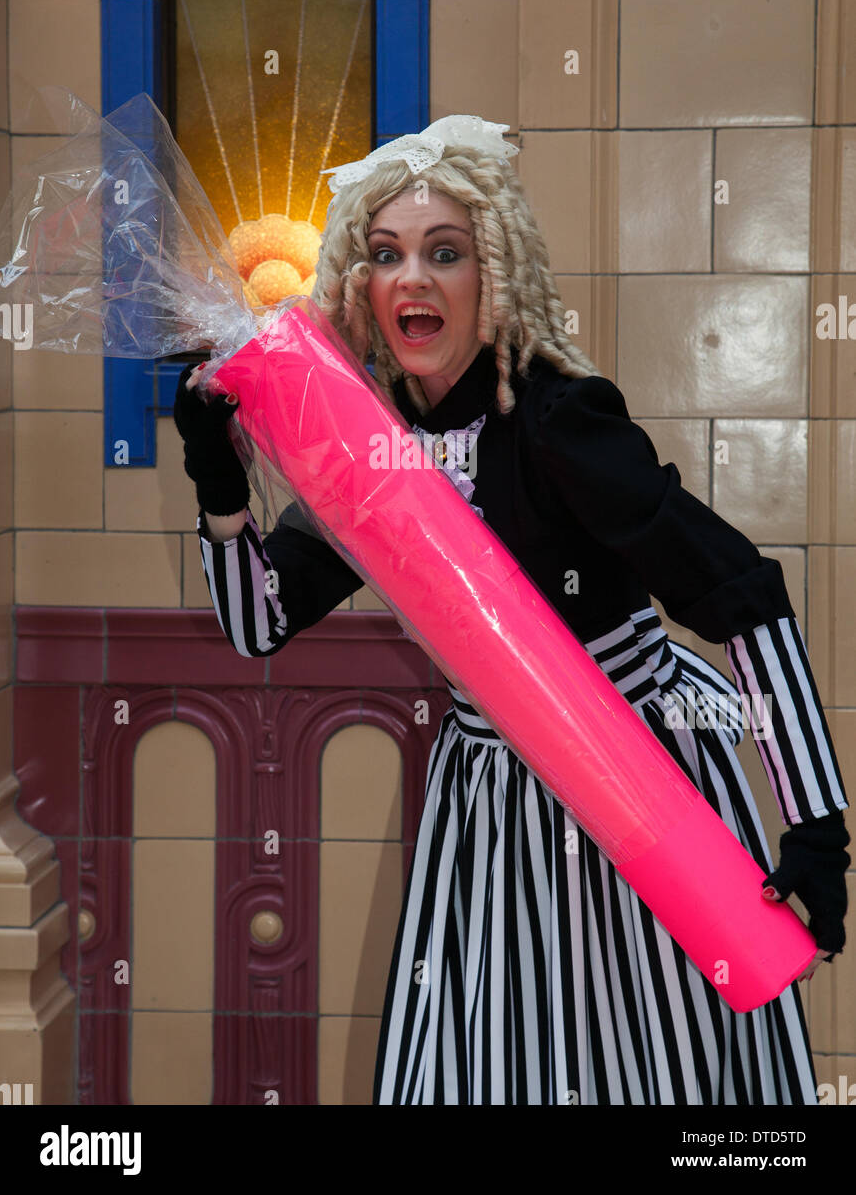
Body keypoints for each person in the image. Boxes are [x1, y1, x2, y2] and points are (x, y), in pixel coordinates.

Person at [174, 115, 850, 1106]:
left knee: (647, 1065)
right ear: (359, 285)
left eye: (444, 253)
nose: (411, 278)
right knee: (491, 1060)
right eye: (385, 254)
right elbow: (257, 622)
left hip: (636, 784)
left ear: (492, 271)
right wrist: (218, 483)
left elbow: (738, 590)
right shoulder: (368, 444)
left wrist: (815, 830)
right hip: (489, 805)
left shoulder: (556, 419)